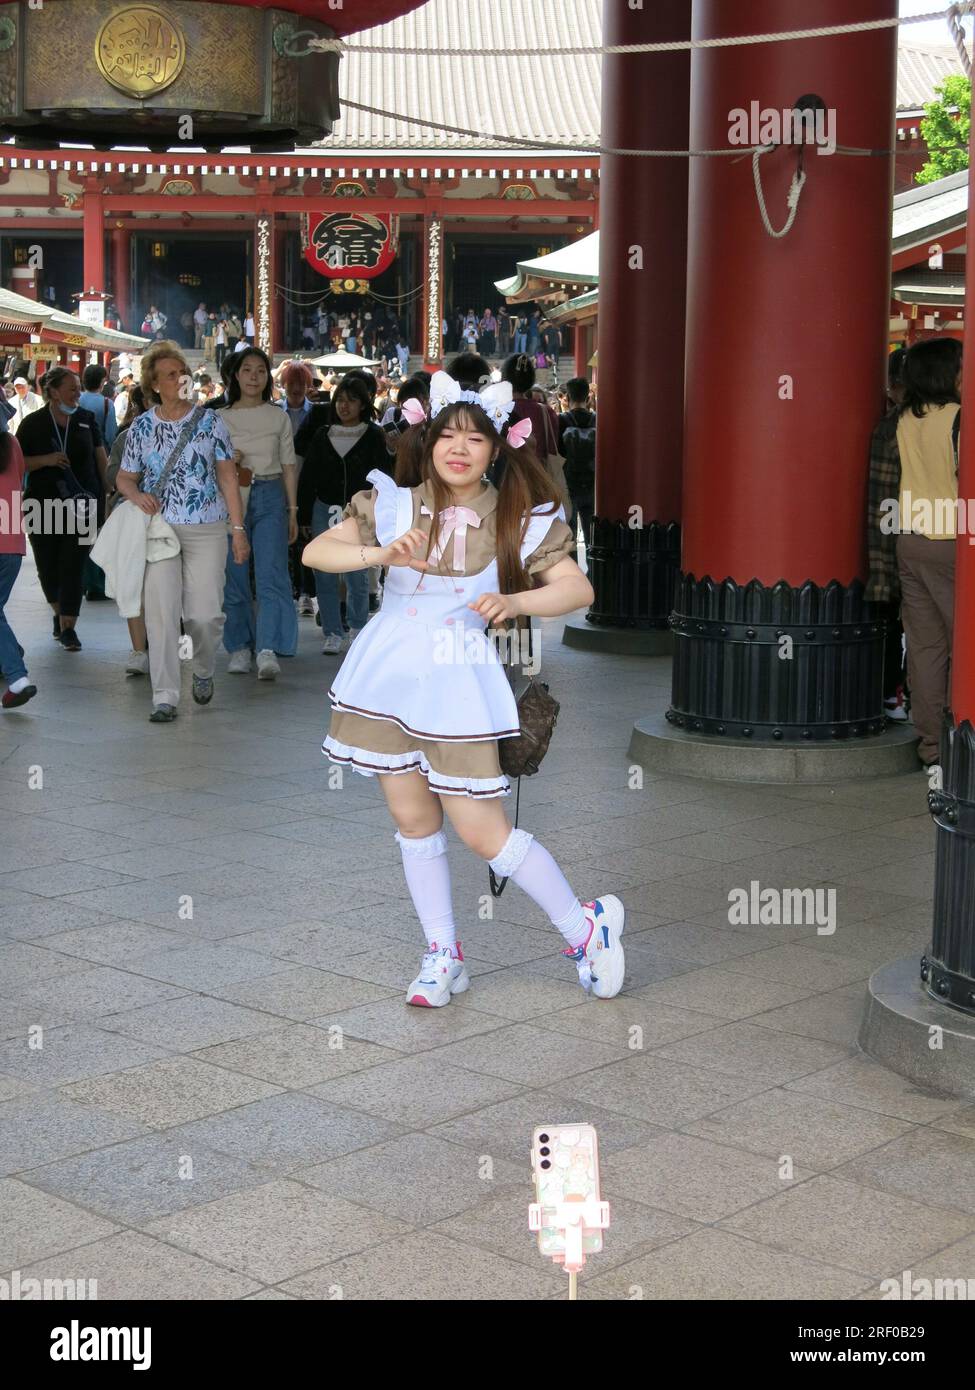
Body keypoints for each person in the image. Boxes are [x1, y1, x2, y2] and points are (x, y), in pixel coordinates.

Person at [302, 370, 625, 1006]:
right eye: (447, 434)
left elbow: (578, 589)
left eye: (474, 439)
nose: (458, 447)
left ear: (496, 448)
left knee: (482, 830)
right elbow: (316, 552)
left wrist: (512, 597)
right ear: (426, 441)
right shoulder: (389, 503)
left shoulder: (516, 517)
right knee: (413, 820)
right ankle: (443, 954)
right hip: (389, 674)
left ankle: (586, 928)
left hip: (456, 680)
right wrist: (381, 556)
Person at [115, 341, 248, 722]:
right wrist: (136, 495)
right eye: (171, 375)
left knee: (204, 614)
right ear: (155, 385)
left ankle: (203, 669)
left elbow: (228, 477)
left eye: (182, 372)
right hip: (160, 529)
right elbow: (125, 478)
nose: (180, 379)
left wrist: (237, 530)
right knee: (160, 612)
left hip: (206, 526)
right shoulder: (141, 427)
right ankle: (165, 696)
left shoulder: (211, 421)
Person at [867, 337, 961, 769]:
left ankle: (933, 751)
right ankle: (966, 742)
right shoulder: (961, 419)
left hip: (911, 540)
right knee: (964, 644)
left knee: (925, 649)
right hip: (955, 540)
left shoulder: (900, 420)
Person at [219, 347, 299, 680]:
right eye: (247, 370)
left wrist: (292, 510)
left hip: (269, 493)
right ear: (235, 375)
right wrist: (226, 460)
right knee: (234, 575)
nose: (254, 376)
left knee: (272, 573)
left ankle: (267, 648)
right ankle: (239, 646)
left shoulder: (278, 416)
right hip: (230, 496)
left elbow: (288, 465)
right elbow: (207, 464)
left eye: (261, 371)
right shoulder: (219, 418)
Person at [298, 375, 391, 654]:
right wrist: (303, 515)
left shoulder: (374, 435)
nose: (344, 405)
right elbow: (308, 476)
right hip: (323, 507)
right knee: (324, 572)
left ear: (364, 404)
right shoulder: (322, 434)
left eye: (351, 400)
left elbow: (383, 477)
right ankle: (332, 631)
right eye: (340, 399)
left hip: (358, 514)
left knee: (357, 573)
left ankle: (358, 628)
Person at [17, 367, 108, 652]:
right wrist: (46, 460)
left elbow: (100, 459)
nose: (77, 393)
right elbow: (18, 464)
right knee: (48, 567)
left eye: (79, 388)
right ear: (54, 391)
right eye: (71, 388)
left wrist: (106, 496)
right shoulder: (32, 424)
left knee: (73, 565)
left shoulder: (85, 420)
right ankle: (58, 613)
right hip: (41, 505)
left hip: (82, 505)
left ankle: (69, 626)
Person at [107, 384, 151, 676]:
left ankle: (160, 644)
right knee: (133, 584)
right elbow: (112, 475)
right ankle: (139, 649)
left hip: (174, 517)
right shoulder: (127, 436)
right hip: (135, 516)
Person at [0, 429, 37, 708]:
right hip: (12, 542)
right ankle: (11, 652)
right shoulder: (11, 442)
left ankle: (16, 676)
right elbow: (20, 481)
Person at [278, 361, 318, 616]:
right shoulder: (275, 412)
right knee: (283, 540)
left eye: (301, 383)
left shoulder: (316, 413)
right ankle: (289, 590)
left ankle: (306, 593)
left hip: (308, 483)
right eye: (291, 383)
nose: (296, 388)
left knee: (307, 540)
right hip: (279, 484)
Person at [498, 353, 564, 497]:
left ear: (503, 379)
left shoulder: (495, 412)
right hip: (539, 486)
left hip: (502, 485)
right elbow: (552, 449)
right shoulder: (546, 412)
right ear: (530, 381)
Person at [559, 377, 596, 561]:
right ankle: (594, 576)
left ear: (567, 397)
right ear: (588, 397)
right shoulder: (597, 420)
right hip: (593, 484)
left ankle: (573, 578)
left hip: (568, 483)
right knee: (593, 537)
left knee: (570, 536)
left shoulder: (562, 421)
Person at [79, 364, 118, 449]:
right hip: (99, 452)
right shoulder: (107, 403)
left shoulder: (75, 399)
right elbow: (110, 436)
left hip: (77, 449)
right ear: (102, 382)